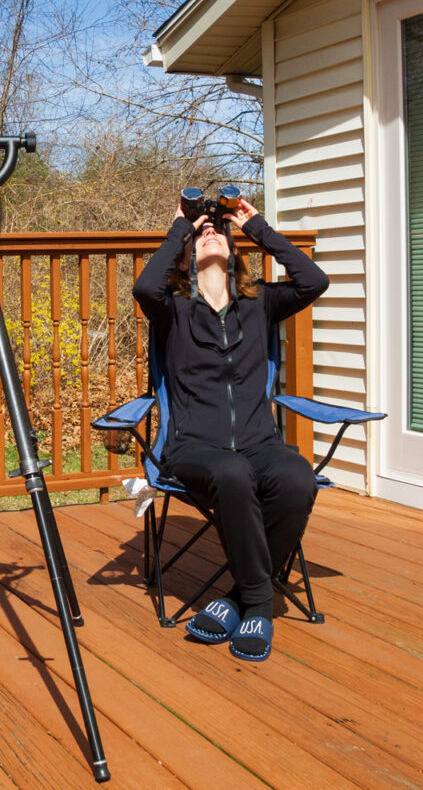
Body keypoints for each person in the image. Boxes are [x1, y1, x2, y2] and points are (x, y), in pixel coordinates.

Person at [133, 195, 329, 662]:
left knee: (297, 475)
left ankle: (235, 598)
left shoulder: (259, 304)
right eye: (201, 235)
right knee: (233, 472)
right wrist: (181, 227)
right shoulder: (174, 310)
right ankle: (259, 602)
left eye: (219, 231)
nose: (211, 233)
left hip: (260, 443)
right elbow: (144, 288)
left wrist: (257, 226)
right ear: (185, 255)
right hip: (194, 448)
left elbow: (313, 280)